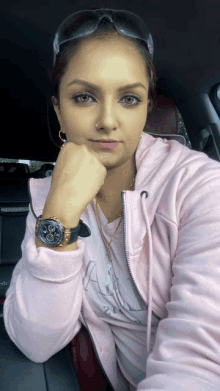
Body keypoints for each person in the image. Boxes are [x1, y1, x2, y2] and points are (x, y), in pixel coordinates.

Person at [3, 7, 220, 391]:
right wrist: (59, 211)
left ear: (146, 108)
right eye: (84, 97)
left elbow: (200, 362)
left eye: (129, 99)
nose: (107, 120)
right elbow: (36, 341)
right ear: (59, 110)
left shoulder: (201, 187)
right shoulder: (46, 200)